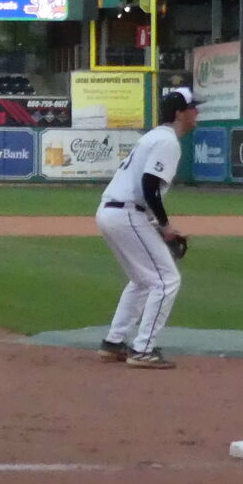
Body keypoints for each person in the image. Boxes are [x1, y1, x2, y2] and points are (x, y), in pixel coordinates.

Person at [96, 88, 199, 368]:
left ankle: (114, 342)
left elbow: (143, 190)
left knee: (143, 280)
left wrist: (158, 225)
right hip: (126, 213)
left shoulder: (153, 137)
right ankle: (143, 350)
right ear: (180, 113)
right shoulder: (167, 141)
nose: (197, 114)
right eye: (193, 108)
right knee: (166, 280)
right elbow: (150, 186)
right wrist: (165, 227)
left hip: (114, 211)